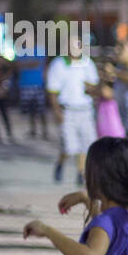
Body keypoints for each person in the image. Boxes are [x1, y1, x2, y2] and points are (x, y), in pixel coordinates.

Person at [46, 41, 100, 185]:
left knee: (86, 144)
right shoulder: (58, 64)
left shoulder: (88, 63)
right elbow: (52, 91)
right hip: (67, 110)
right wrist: (57, 112)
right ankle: (60, 163)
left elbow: (94, 86)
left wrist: (92, 89)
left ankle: (81, 174)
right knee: (70, 147)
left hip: (85, 109)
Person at [17, 53, 49, 140]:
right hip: (25, 84)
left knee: (41, 110)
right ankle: (33, 130)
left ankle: (45, 131)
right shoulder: (20, 52)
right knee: (31, 109)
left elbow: (43, 65)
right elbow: (18, 66)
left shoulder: (40, 51)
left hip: (39, 84)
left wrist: (26, 64)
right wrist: (31, 64)